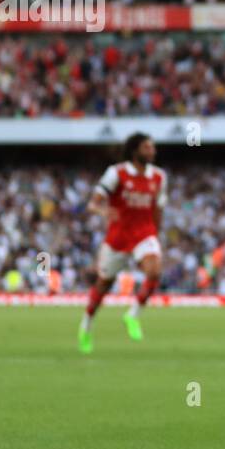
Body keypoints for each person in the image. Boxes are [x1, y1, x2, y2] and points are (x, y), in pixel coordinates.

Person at [78, 133, 167, 353]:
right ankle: (86, 326)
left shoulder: (158, 177)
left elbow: (158, 208)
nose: (152, 151)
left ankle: (133, 315)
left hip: (144, 234)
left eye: (153, 147)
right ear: (135, 151)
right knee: (103, 285)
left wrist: (156, 234)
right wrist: (104, 210)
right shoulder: (116, 173)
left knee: (154, 272)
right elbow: (93, 203)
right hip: (118, 237)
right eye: (147, 147)